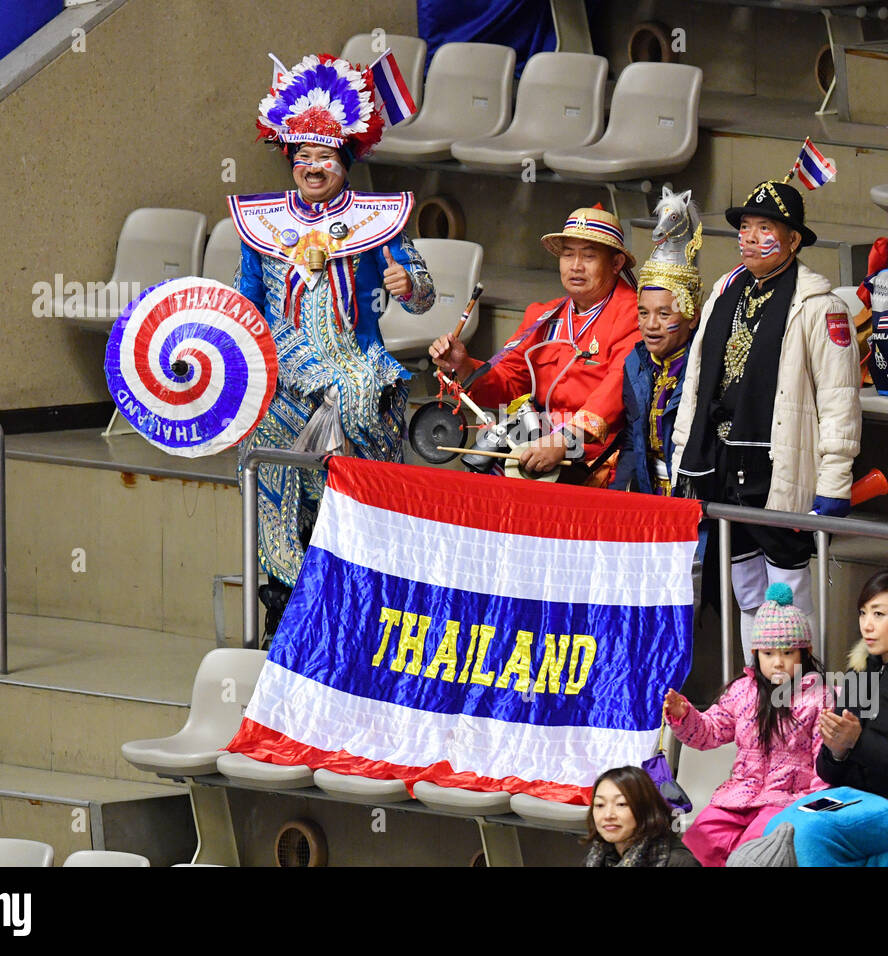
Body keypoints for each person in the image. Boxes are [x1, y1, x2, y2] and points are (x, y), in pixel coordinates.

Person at [230, 53, 435, 631]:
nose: (312, 166)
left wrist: (408, 283)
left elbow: (423, 296)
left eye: (324, 156)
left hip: (355, 373)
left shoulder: (376, 221)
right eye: (303, 156)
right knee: (274, 477)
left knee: (352, 456)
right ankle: (285, 604)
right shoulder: (263, 223)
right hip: (281, 378)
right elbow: (244, 301)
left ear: (344, 161)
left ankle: (357, 602)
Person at [671, 178, 861, 651]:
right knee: (748, 592)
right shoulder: (724, 295)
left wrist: (833, 483)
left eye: (766, 228)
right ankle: (756, 701)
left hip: (780, 471)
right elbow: (694, 386)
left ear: (794, 240)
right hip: (720, 464)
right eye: (746, 227)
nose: (752, 238)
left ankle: (797, 708)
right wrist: (681, 458)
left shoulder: (821, 308)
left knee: (787, 596)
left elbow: (841, 401)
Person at [736, 569, 888, 867]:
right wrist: (837, 750)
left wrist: (859, 741)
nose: (867, 625)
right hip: (855, 799)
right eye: (863, 613)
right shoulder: (860, 675)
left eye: (879, 614)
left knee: (809, 834)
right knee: (780, 827)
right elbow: (828, 771)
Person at [429, 206, 640, 483]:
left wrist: (564, 440)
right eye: (568, 255)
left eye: (589, 256)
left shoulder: (634, 314)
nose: (576, 265)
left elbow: (615, 390)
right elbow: (509, 383)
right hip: (541, 438)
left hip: (598, 454)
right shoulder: (542, 316)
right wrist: (465, 365)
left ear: (616, 264)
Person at [661, 583, 830, 867]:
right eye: (768, 653)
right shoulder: (743, 691)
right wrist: (685, 715)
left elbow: (823, 762)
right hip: (736, 797)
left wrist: (810, 809)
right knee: (696, 845)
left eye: (788, 653)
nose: (778, 662)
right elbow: (709, 732)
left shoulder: (820, 698)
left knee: (753, 855)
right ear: (755, 653)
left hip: (785, 803)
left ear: (805, 652)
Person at [610, 230, 703, 495]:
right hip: (648, 492)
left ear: (692, 317)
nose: (651, 325)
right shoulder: (635, 363)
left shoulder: (703, 368)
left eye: (664, 314)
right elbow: (632, 441)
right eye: (643, 313)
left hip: (690, 496)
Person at [582, 765, 700, 867]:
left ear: (646, 808)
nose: (607, 815)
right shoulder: (598, 857)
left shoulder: (678, 862)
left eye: (621, 804)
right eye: (600, 805)